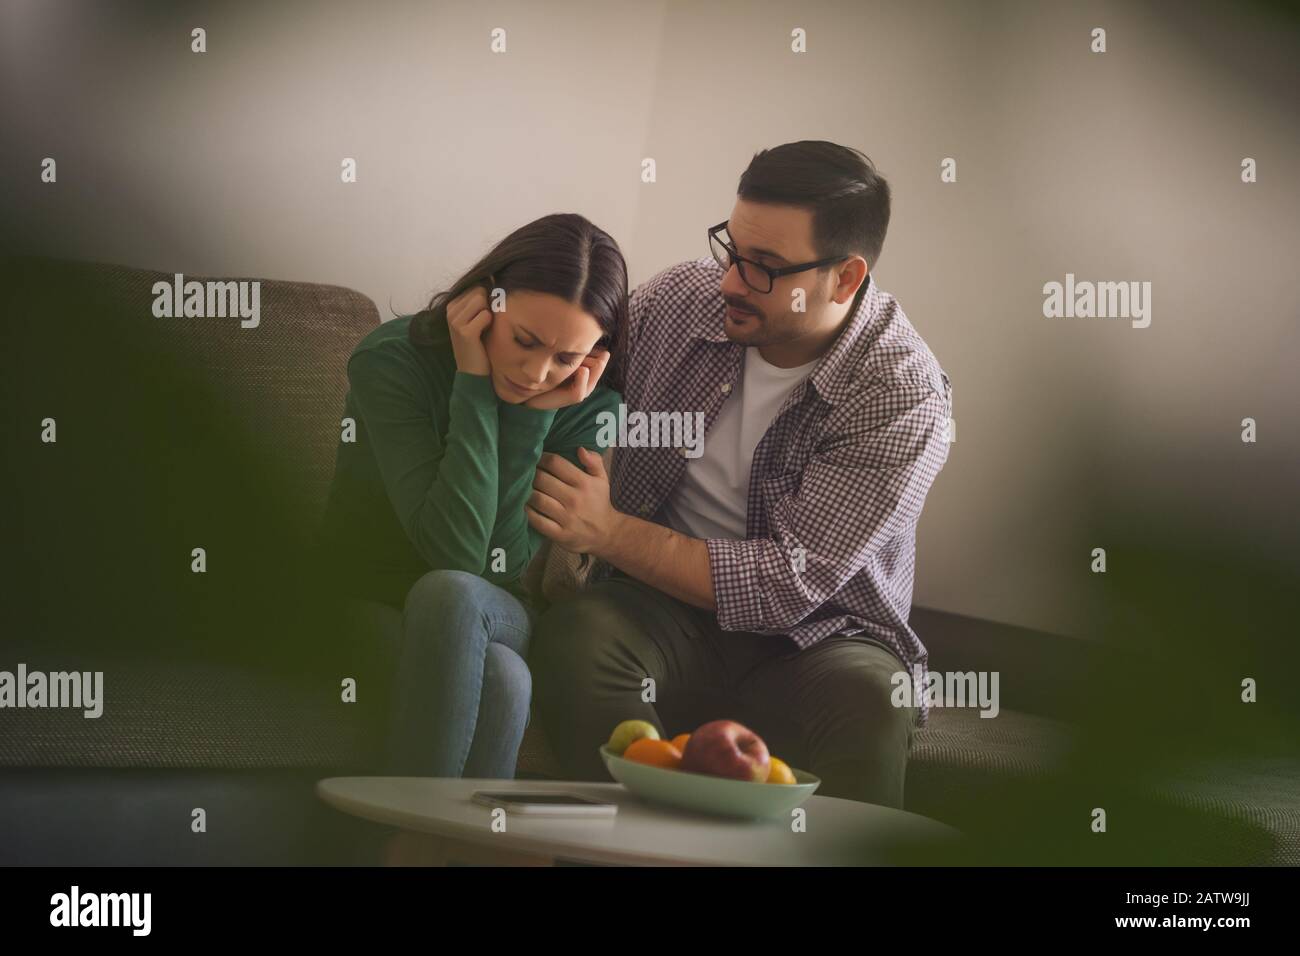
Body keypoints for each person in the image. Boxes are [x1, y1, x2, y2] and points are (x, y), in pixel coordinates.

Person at [525, 142, 953, 809]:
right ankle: (634, 853)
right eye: (732, 247)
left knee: (873, 700)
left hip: (823, 636)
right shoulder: (680, 302)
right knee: (582, 639)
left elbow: (789, 583)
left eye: (766, 268)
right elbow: (563, 370)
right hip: (659, 612)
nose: (729, 281)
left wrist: (608, 532)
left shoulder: (901, 394)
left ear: (844, 279)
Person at [314, 212, 626, 779]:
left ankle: (411, 846)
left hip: (490, 607)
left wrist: (534, 419)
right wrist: (474, 384)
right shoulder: (392, 361)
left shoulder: (590, 410)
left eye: (565, 358)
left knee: (453, 595)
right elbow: (453, 550)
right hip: (364, 595)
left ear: (595, 354)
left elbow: (490, 566)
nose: (536, 374)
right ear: (485, 304)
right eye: (524, 341)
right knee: (507, 680)